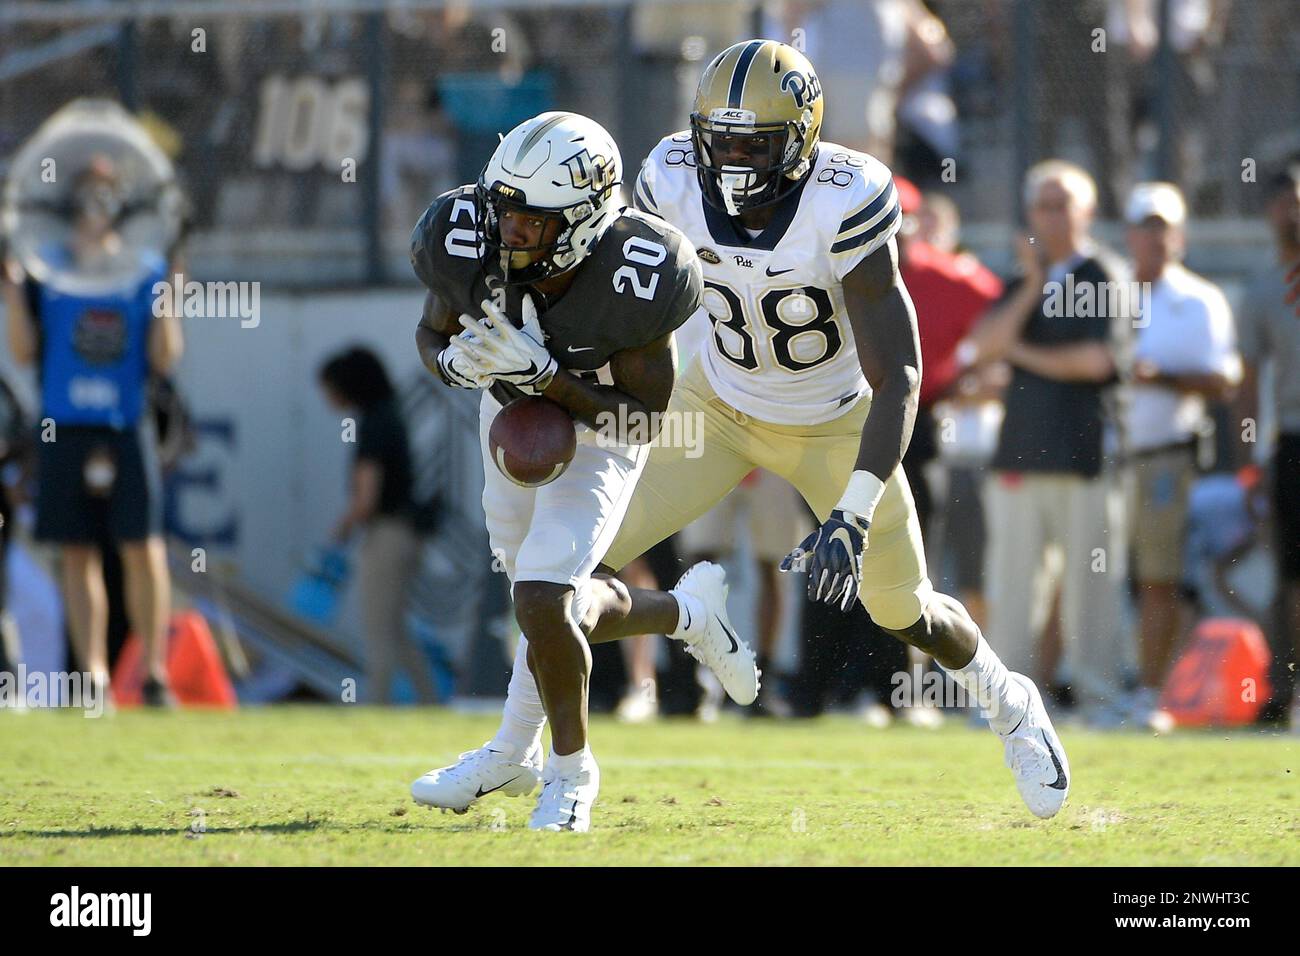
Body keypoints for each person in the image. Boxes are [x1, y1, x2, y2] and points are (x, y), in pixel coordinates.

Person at [432, 41, 1072, 822]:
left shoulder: (846, 197)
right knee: (554, 578)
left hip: (830, 424)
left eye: (753, 145)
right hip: (711, 407)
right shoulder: (667, 176)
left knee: (905, 610)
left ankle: (1011, 704)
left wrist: (854, 509)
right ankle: (520, 749)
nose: (731, 161)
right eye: (719, 139)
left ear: (800, 140)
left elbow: (899, 375)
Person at [407, 112, 757, 831]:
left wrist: (548, 377)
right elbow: (432, 327)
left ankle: (567, 772)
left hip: (600, 432)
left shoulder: (636, 270)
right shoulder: (469, 234)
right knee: (541, 606)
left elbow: (641, 419)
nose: (510, 232)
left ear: (584, 216)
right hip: (510, 421)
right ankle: (687, 616)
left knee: (542, 596)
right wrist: (448, 364)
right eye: (503, 211)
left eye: (531, 222)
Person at [2, 154, 183, 707]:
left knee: (141, 546)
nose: (96, 203)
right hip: (64, 429)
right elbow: (26, 350)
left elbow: (166, 357)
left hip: (124, 425)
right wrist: (10, 289)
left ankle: (152, 672)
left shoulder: (145, 267)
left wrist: (173, 290)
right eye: (88, 190)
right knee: (75, 552)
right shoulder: (45, 269)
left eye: (108, 191)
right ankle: (95, 678)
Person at [959, 159, 1134, 725]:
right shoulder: (1020, 283)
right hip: (1018, 458)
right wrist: (1033, 284)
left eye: (1064, 204)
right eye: (1043, 205)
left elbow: (1096, 360)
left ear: (1088, 211)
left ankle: (1099, 696)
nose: (1052, 216)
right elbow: (980, 349)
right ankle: (1005, 704)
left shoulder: (1104, 274)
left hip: (1086, 457)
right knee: (1010, 588)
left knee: (1092, 587)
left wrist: (1021, 356)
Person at [1121, 182, 1239, 724]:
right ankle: (1099, 685)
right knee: (1101, 578)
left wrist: (1160, 377)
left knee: (1159, 578)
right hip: (1106, 457)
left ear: (1180, 235)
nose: (1154, 238)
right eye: (1146, 227)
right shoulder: (1108, 292)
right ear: (1130, 235)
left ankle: (1150, 692)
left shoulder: (1199, 300)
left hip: (1166, 455)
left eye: (1163, 227)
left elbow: (1222, 381)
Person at [318, 346, 438, 706]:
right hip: (406, 534)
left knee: (378, 630)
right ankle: (431, 703)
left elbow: (365, 499)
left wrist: (340, 529)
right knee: (396, 629)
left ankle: (377, 704)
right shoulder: (391, 415)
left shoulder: (372, 422)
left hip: (386, 535)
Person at [1237, 163, 1300, 727]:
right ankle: (1286, 691)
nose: (1294, 212)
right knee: (1290, 576)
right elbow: (1249, 386)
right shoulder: (1262, 290)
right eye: (1286, 202)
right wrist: (1248, 468)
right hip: (1292, 444)